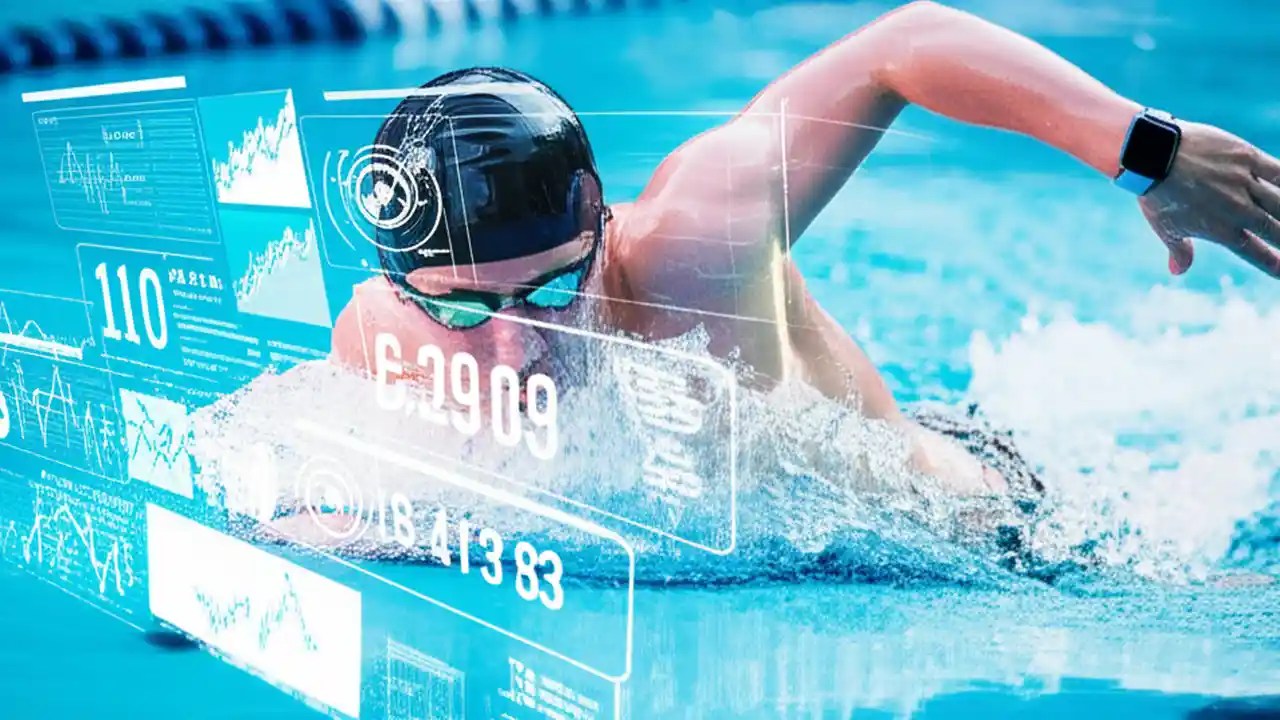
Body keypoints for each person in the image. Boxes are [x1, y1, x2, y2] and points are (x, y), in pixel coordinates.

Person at [330, 1, 1280, 501]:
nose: (514, 350)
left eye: (548, 294)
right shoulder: (384, 335)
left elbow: (899, 48)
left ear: (601, 227)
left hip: (982, 531)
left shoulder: (697, 237)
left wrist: (1146, 153)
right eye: (463, 310)